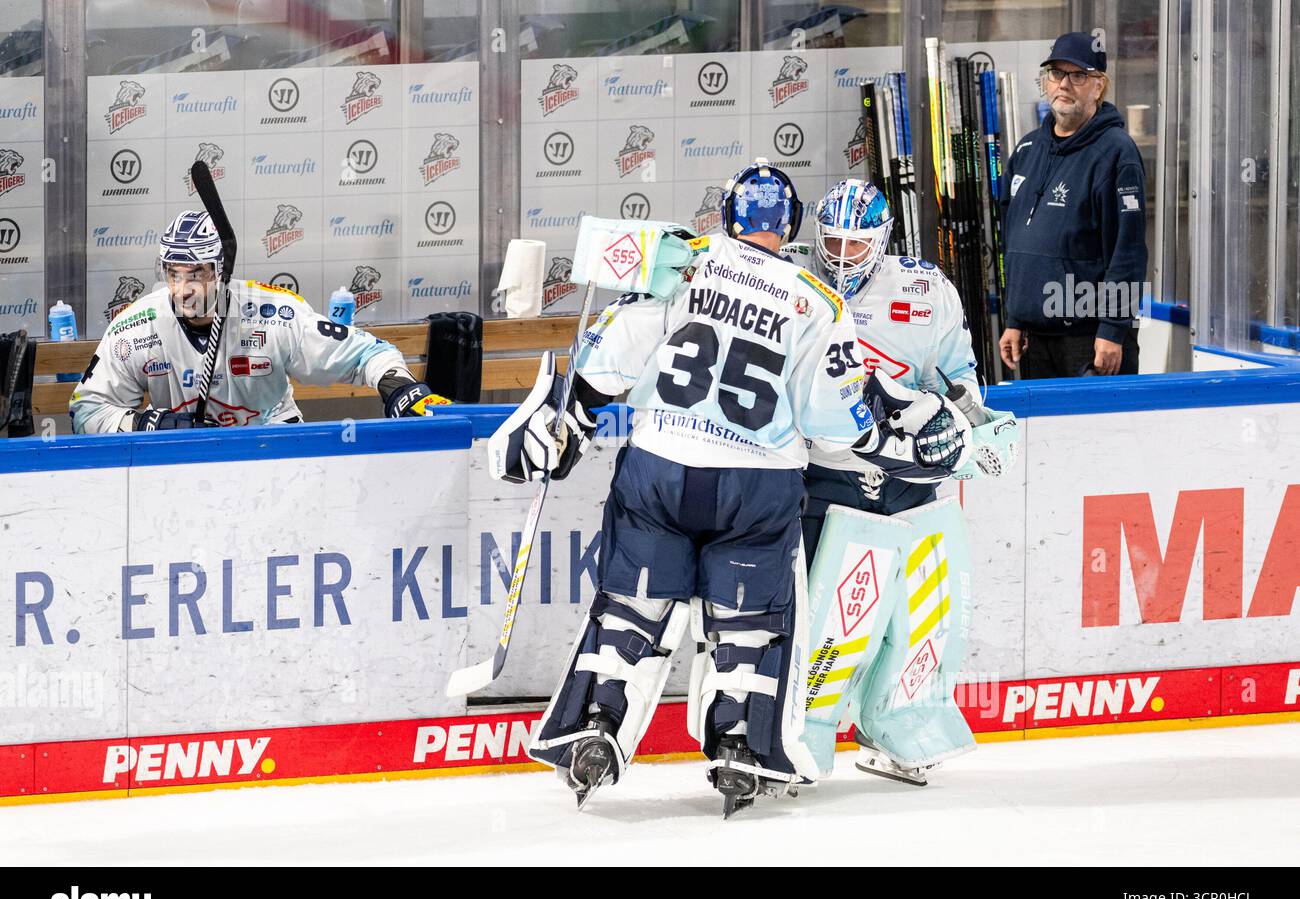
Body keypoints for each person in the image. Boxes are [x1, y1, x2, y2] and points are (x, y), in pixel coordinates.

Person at [491, 159, 969, 817]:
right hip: (757, 482)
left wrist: (566, 417)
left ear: (724, 217)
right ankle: (738, 744)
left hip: (660, 465)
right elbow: (833, 426)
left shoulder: (679, 264)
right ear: (795, 229)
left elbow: (608, 362)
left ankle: (598, 720)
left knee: (632, 606)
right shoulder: (815, 301)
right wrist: (900, 436)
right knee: (748, 624)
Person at [789, 178, 1016, 785]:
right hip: (831, 477)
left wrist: (969, 422)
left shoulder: (925, 287)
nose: (839, 256)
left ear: (882, 239)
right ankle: (803, 733)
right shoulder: (796, 285)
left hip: (913, 478)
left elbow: (960, 376)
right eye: (830, 242)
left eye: (855, 246)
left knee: (922, 610)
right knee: (832, 613)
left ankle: (904, 720)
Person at [71, 210, 445, 433]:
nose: (183, 289)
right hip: (181, 459)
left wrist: (400, 390)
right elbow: (87, 410)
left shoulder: (274, 315)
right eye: (173, 274)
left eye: (198, 274)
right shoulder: (137, 326)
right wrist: (151, 425)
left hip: (275, 448)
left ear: (222, 271)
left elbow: (369, 354)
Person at [997, 31, 1148, 378]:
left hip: (1091, 338)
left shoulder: (1115, 153)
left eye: (1078, 75)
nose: (1064, 84)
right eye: (1056, 73)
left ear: (1098, 86)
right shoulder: (1027, 150)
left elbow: (1129, 251)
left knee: (1102, 433)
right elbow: (1015, 242)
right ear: (1045, 82)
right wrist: (1016, 318)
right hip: (1036, 338)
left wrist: (1113, 328)